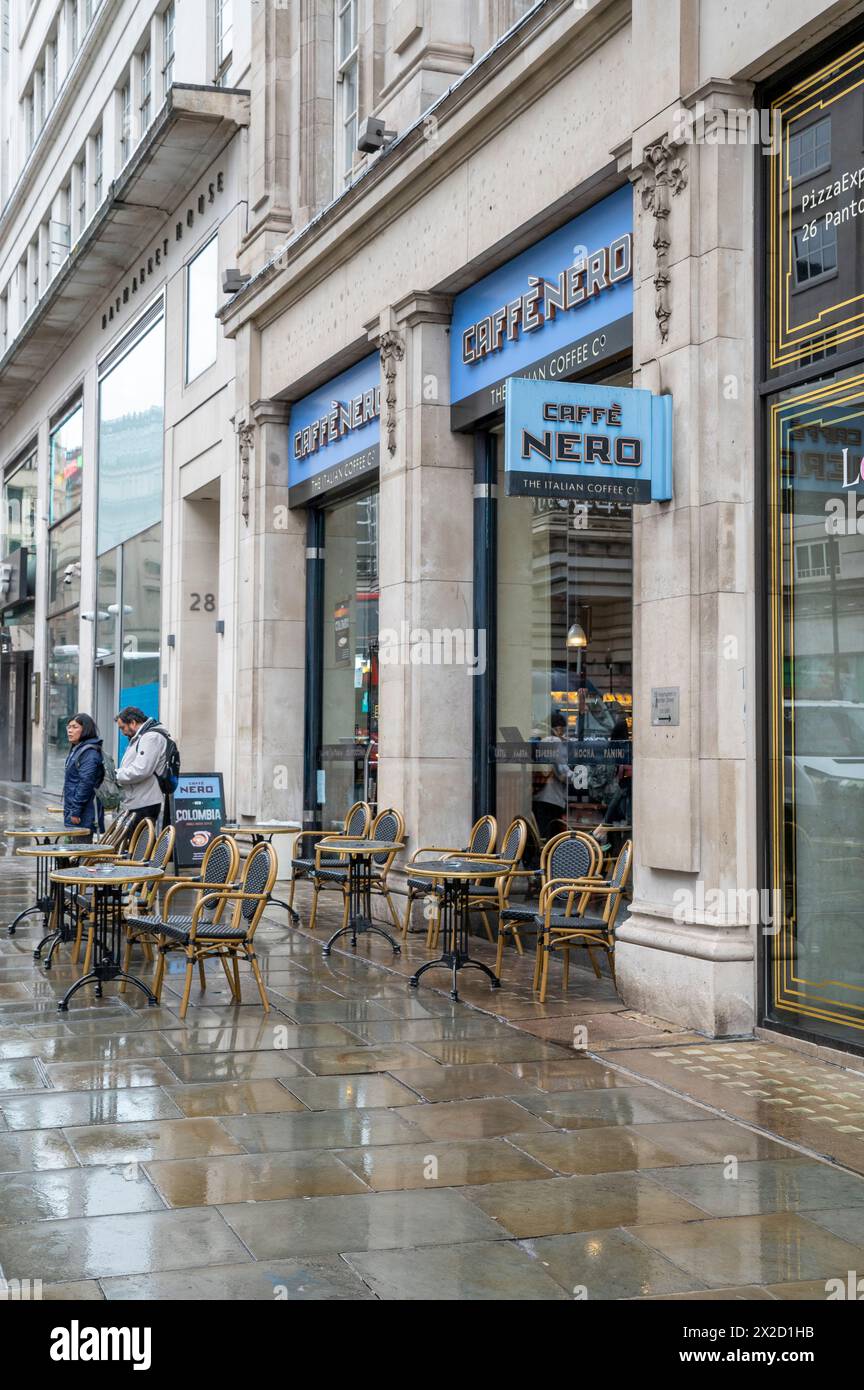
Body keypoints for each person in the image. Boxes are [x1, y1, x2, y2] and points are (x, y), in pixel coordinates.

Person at [115, 706, 170, 830]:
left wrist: (116, 775)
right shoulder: (142, 737)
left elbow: (141, 770)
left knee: (141, 844)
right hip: (139, 799)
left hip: (144, 801)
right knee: (137, 844)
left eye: (123, 727)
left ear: (133, 723)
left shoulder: (151, 737)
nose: (122, 732)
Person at [63, 714, 105, 838]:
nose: (70, 730)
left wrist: (76, 811)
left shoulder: (89, 753)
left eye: (75, 727)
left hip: (84, 812)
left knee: (80, 849)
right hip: (74, 808)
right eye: (69, 727)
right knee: (74, 850)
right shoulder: (77, 749)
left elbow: (86, 783)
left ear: (85, 729)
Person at [532, 711, 571, 844]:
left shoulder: (542, 740)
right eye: (562, 729)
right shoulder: (554, 741)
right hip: (552, 797)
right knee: (551, 838)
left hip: (538, 795)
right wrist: (577, 777)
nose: (563, 733)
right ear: (558, 728)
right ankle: (547, 863)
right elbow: (562, 769)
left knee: (541, 835)